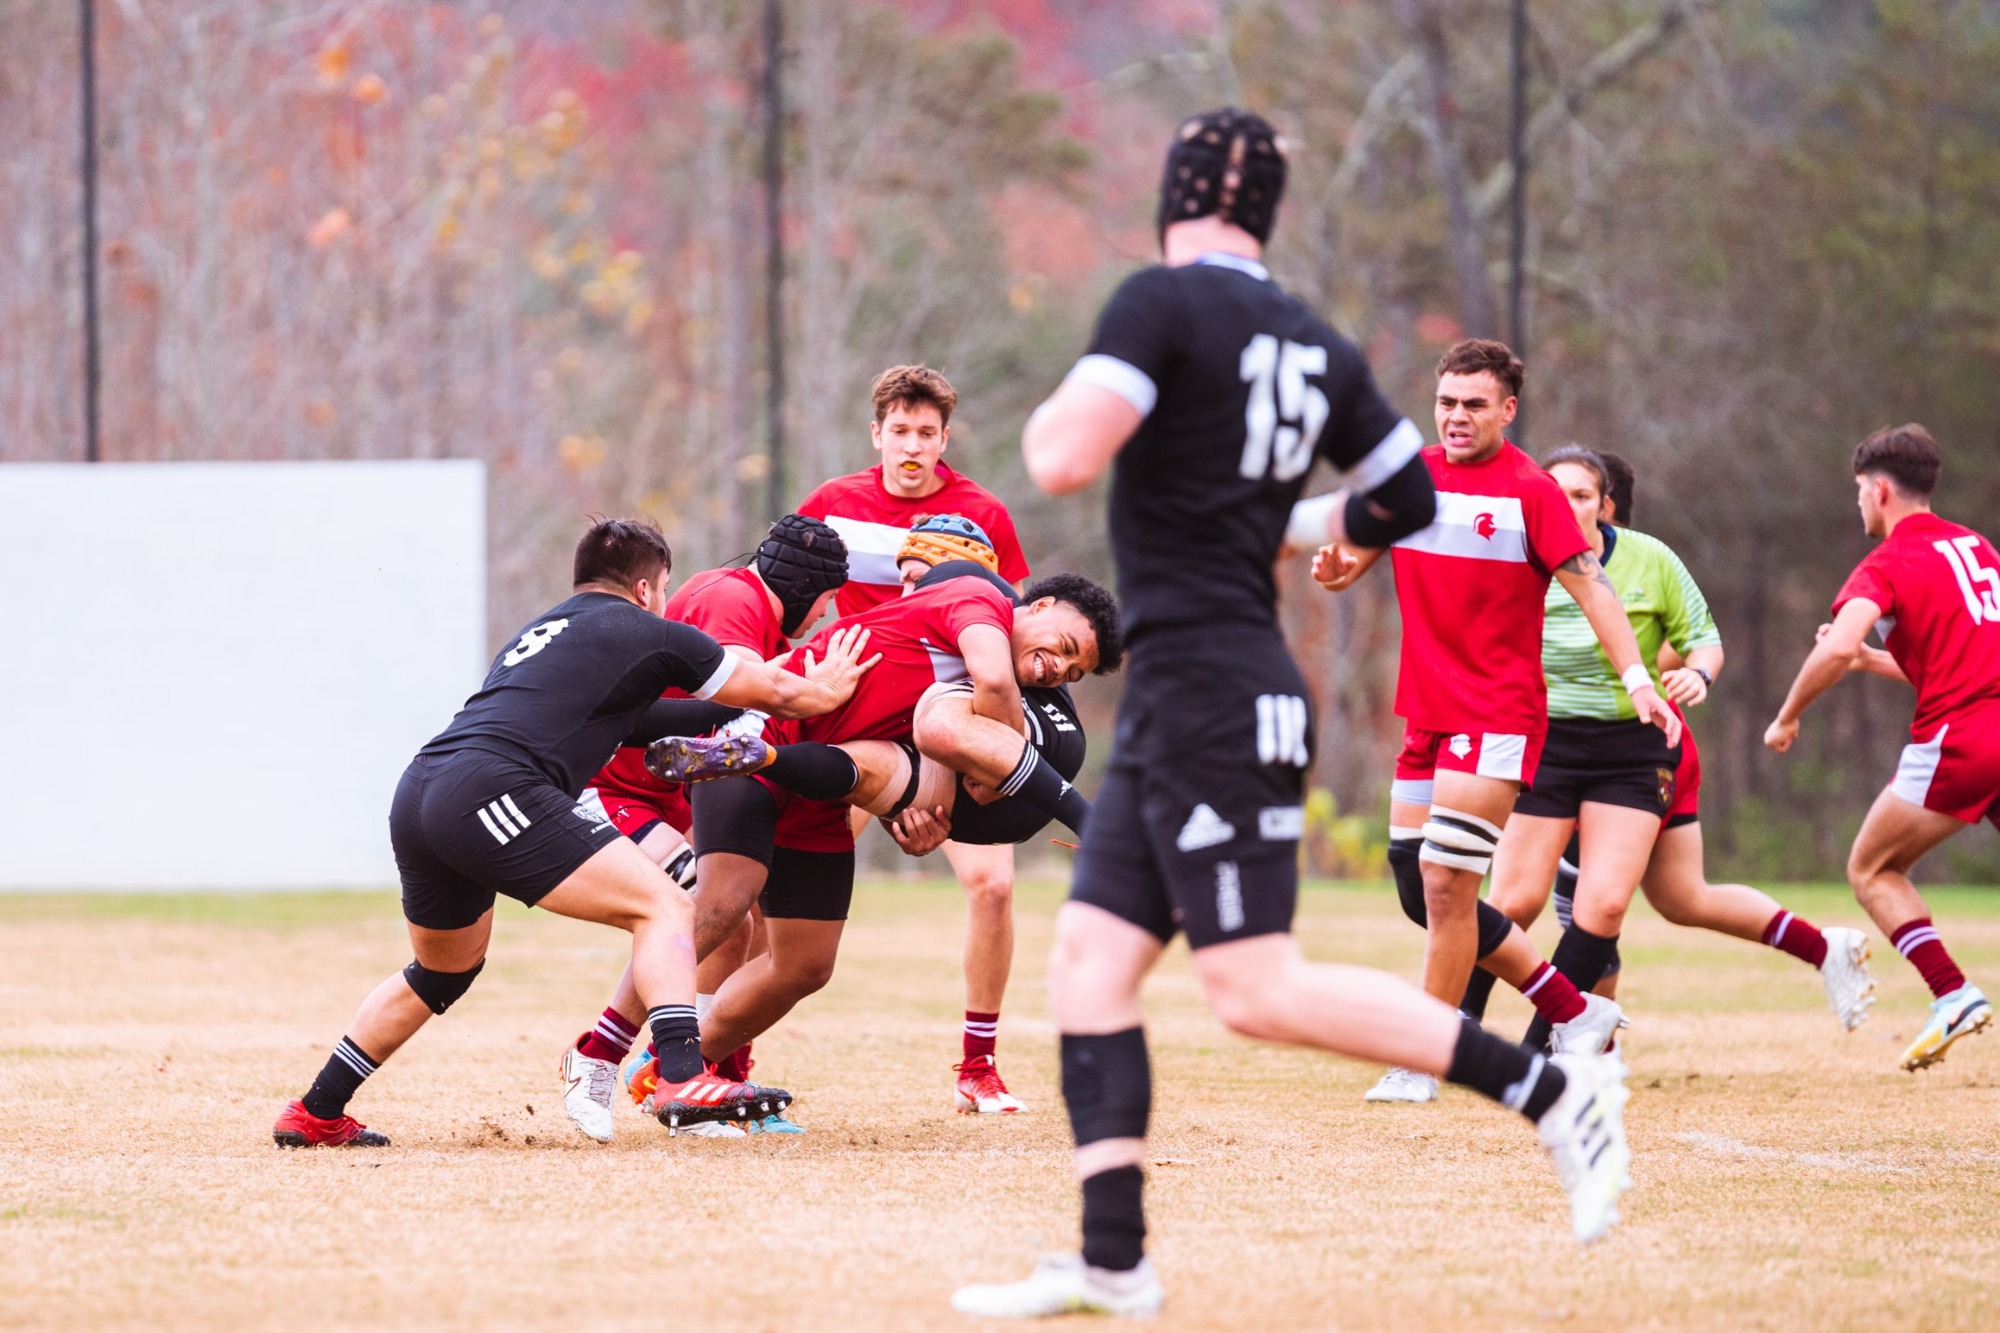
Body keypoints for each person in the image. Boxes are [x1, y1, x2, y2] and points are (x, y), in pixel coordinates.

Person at [952, 109, 1632, 1322]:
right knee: (1089, 964)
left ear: (1171, 193)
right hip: (1190, 685)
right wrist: (1294, 526)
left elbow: (1058, 457)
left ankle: (1547, 1089)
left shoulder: (1157, 305)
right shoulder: (1314, 338)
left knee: (1253, 986)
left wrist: (1080, 413)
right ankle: (1114, 1259)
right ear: (1265, 213)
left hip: (1216, 692)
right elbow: (1407, 492)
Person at [271, 518, 876, 1147]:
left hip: (424, 785)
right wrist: (825, 688)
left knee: (441, 971)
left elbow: (662, 717)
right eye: (665, 587)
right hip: (493, 790)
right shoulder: (645, 628)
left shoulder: (546, 631)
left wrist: (747, 703)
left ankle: (316, 1110)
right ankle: (678, 1077)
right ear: (647, 587)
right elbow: (775, 689)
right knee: (668, 905)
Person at [1311, 340, 1677, 1103]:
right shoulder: (1409, 475)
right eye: (1447, 401)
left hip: (1497, 713)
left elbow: (1596, 591)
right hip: (1425, 714)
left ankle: (1424, 1055)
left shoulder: (1533, 491)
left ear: (1508, 410)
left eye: (1474, 404)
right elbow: (1359, 553)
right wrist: (1338, 567)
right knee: (1420, 887)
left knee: (1448, 883)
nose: (1456, 416)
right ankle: (1573, 1008)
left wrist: (1638, 678)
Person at [631, 571, 1118, 1108]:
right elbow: (980, 700)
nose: (1061, 669)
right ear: (1037, 604)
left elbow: (897, 763)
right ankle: (602, 1049)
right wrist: (1017, 778)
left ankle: (666, 1073)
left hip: (827, 783)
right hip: (763, 742)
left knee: (805, 966)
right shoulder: (981, 608)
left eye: (1075, 670)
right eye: (1066, 648)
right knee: (722, 912)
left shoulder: (988, 671)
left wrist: (908, 822)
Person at [1467, 448, 1873, 1040]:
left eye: (1583, 495)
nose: (1567, 506)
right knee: (1672, 898)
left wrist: (1696, 674)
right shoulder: (1514, 559)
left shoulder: (1646, 562)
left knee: (1598, 908)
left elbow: (1694, 643)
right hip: (1549, 744)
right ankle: (1821, 947)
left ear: (1606, 506)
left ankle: (1560, 1041)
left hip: (1643, 749)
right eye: (1556, 494)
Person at [557, 514, 849, 1142]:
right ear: (804, 586)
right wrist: (817, 684)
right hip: (618, 787)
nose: (824, 618)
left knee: (747, 920)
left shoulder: (749, 605)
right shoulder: (731, 596)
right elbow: (733, 692)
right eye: (825, 603)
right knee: (706, 911)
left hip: (669, 795)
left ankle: (710, 1080)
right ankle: (604, 1054)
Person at [797, 367, 1042, 1112]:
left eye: (926, 434)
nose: (911, 446)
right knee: (777, 885)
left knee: (994, 885)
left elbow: (1016, 627)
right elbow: (792, 601)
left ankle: (978, 1067)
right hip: (856, 718)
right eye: (898, 432)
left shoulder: (984, 513)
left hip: (953, 716)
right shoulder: (834, 506)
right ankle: (718, 1059)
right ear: (876, 434)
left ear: (945, 439)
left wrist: (964, 758)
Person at [1767, 424, 1997, 1070]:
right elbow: (1961, 658)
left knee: (1870, 867)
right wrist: (1874, 661)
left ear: (1882, 490)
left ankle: (1951, 992)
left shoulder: (1888, 562)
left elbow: (1833, 645)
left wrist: (1786, 717)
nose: (1859, 504)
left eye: (1860, 492)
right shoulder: (1975, 546)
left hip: (1961, 737)